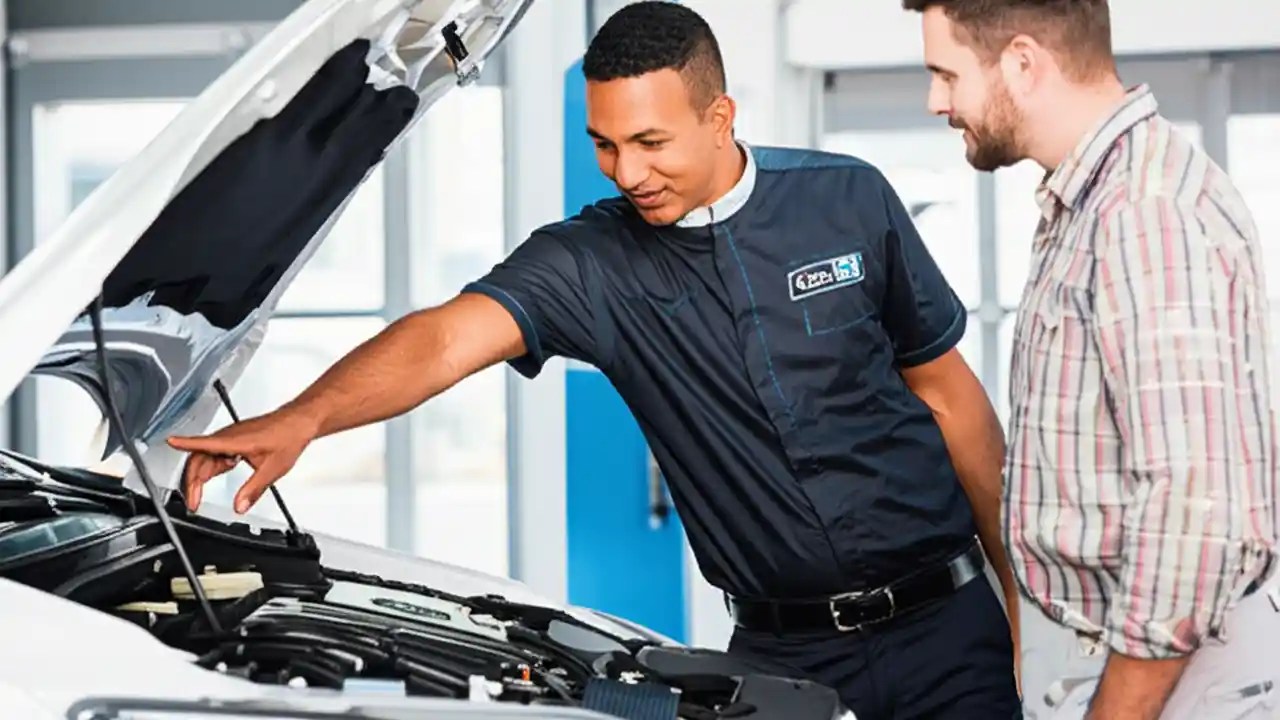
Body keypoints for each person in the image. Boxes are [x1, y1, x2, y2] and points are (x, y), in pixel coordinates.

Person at [170, 2, 1021, 715]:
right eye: (605, 144)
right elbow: (445, 338)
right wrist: (307, 417)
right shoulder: (589, 263)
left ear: (720, 118)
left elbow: (953, 403)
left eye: (651, 141)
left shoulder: (849, 198)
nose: (627, 172)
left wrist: (1019, 607)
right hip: (781, 659)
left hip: (947, 629)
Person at [902, 1, 1280, 718]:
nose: (936, 101)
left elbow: (1193, 511)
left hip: (1163, 681)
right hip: (1112, 658)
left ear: (1022, 62)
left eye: (946, 74)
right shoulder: (1093, 200)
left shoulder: (1146, 212)